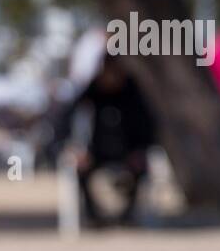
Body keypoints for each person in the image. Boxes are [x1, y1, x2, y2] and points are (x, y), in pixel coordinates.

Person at [61, 56, 157, 228]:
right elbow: (69, 116)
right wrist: (76, 148)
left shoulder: (133, 93)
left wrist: (140, 150)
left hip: (128, 150)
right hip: (97, 151)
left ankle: (128, 215)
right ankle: (94, 215)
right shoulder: (94, 90)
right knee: (81, 172)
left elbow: (148, 125)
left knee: (139, 172)